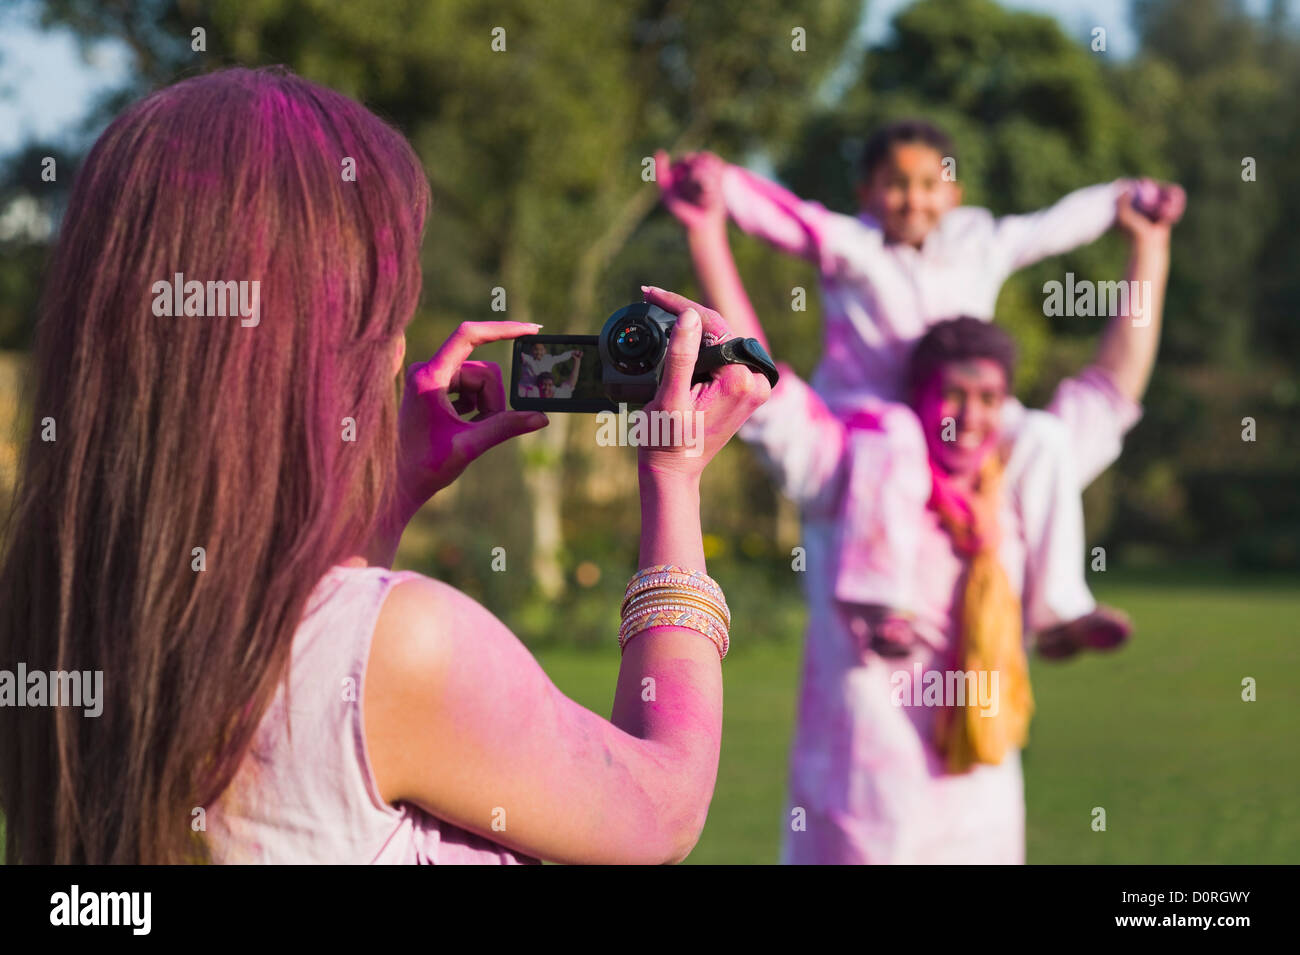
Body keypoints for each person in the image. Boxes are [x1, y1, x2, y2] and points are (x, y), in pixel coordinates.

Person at [0, 66, 772, 865]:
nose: (398, 343)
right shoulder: (407, 649)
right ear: (326, 340)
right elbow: (663, 807)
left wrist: (388, 493)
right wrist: (674, 482)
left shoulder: (60, 623)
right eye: (388, 308)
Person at [656, 140, 1181, 862]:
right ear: (917, 393)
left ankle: (1061, 612)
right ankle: (883, 604)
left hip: (981, 792)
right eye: (952, 397)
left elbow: (1112, 387)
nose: (970, 417)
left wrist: (1148, 247)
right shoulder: (851, 466)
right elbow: (756, 372)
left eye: (990, 398)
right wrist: (707, 231)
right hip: (863, 805)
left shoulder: (1023, 473)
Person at [658, 123, 1185, 657]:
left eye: (930, 184)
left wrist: (1127, 198)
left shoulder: (980, 244)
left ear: (953, 194)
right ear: (866, 195)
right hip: (868, 417)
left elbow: (1052, 227)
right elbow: (787, 219)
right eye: (896, 184)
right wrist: (719, 186)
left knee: (1045, 435)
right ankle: (884, 604)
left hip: (959, 426)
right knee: (899, 435)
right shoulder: (854, 248)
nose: (914, 200)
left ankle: (1058, 611)